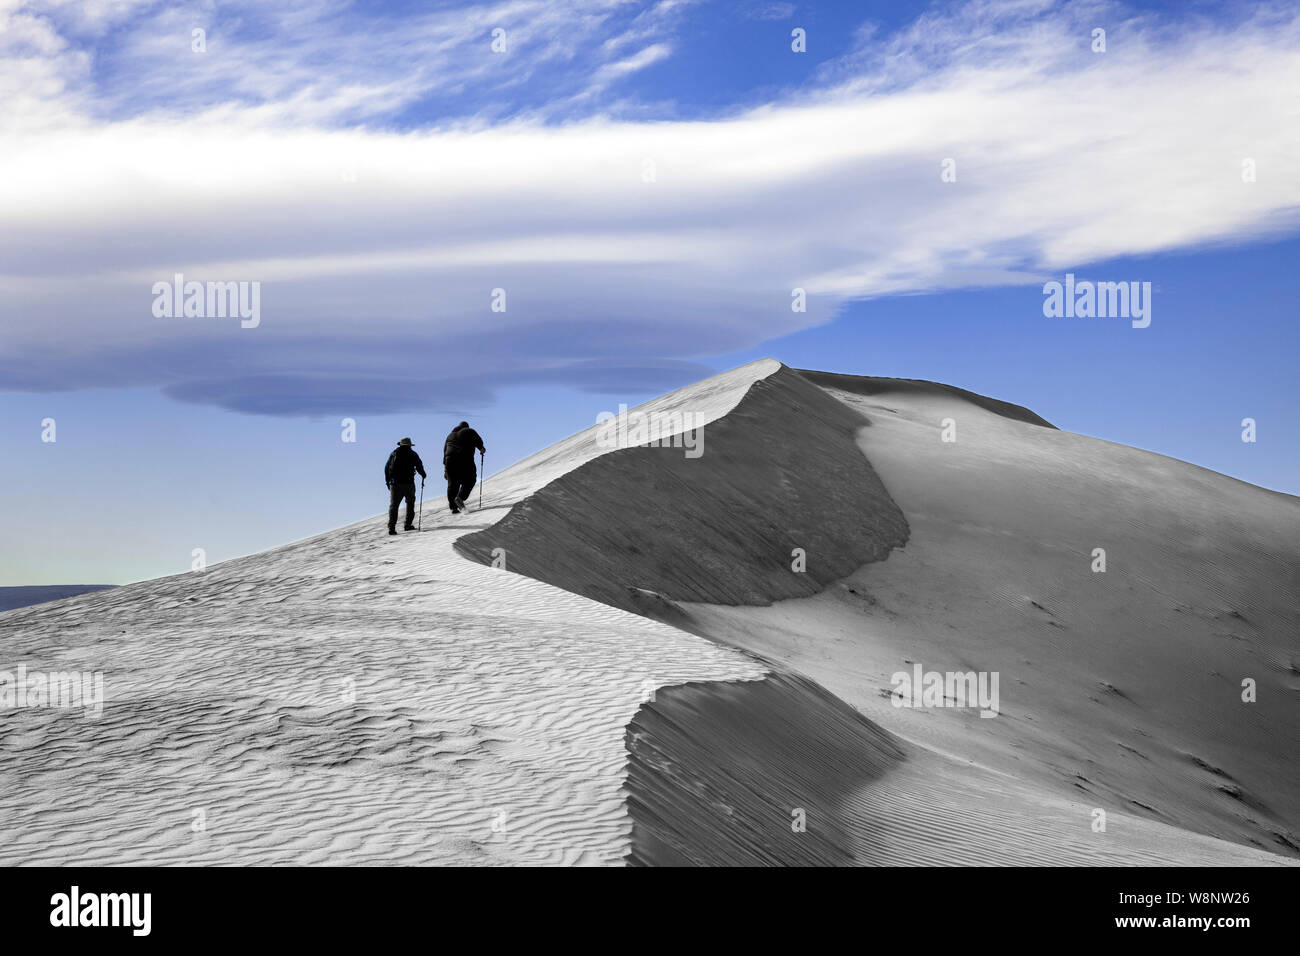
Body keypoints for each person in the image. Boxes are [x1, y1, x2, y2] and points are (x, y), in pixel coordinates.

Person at [384, 437, 427, 534]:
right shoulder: (413, 454)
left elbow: (386, 468)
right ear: (409, 445)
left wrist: (388, 482)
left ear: (400, 445)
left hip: (395, 484)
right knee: (410, 503)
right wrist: (423, 474)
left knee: (394, 505)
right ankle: (408, 525)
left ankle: (391, 528)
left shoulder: (394, 453)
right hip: (409, 483)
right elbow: (419, 466)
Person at [443, 421, 485, 513]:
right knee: (470, 479)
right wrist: (482, 449)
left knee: (452, 484)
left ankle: (453, 507)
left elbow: (445, 452)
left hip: (449, 462)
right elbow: (479, 441)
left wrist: (445, 470)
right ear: (466, 427)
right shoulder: (469, 431)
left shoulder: (450, 436)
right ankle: (460, 498)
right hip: (464, 459)